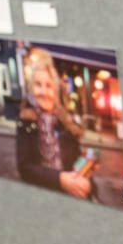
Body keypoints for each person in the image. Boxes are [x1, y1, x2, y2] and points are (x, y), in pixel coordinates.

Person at [16, 49, 91, 199]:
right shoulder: (26, 121)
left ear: (55, 90)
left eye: (48, 85)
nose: (43, 91)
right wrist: (60, 179)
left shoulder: (66, 124)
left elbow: (77, 162)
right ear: (31, 88)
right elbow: (25, 168)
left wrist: (87, 180)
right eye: (38, 84)